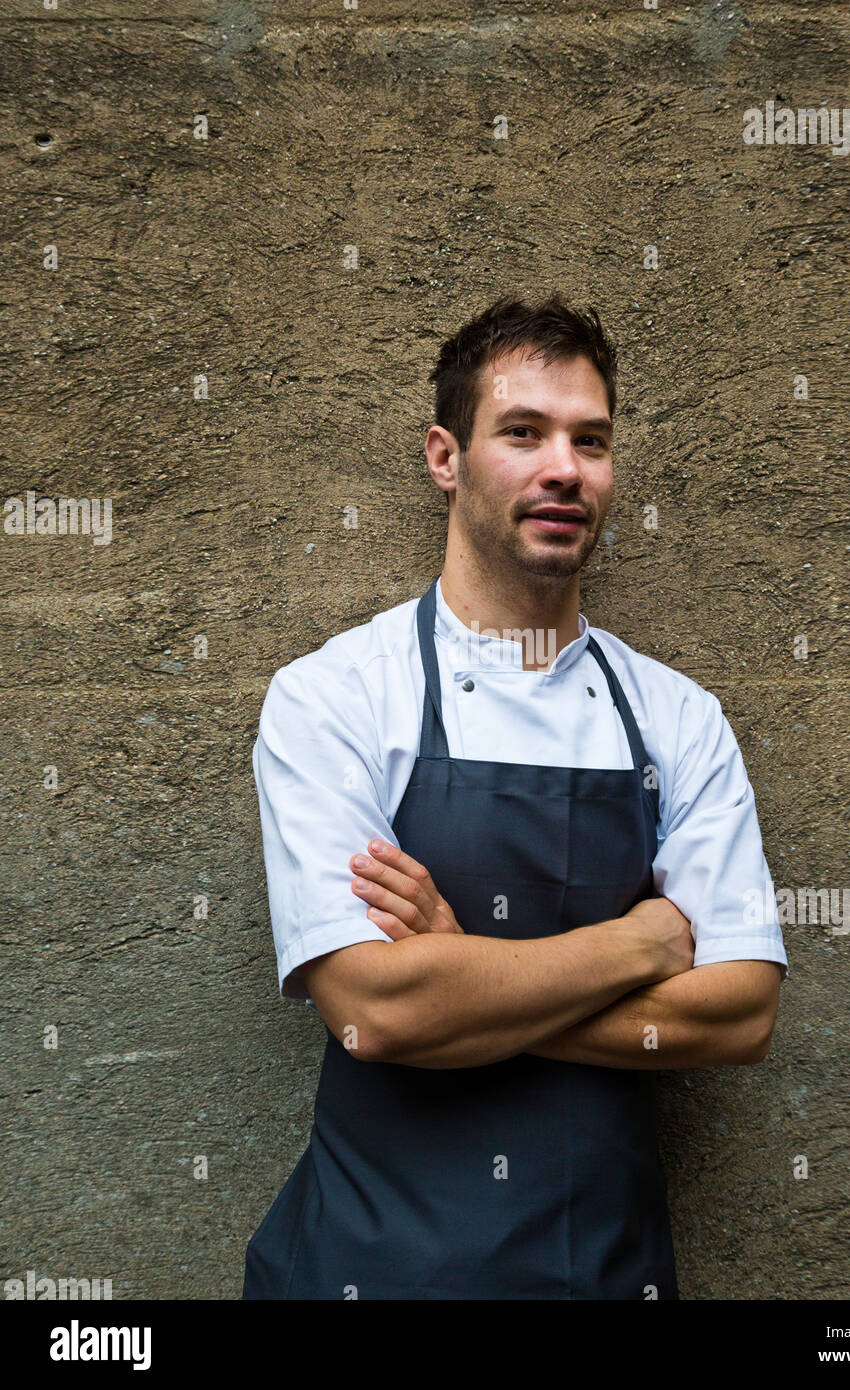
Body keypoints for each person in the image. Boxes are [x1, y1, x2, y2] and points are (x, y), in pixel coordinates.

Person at [242, 294, 788, 1301]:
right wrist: (640, 944)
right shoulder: (336, 697)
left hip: (605, 1272)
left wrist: (465, 969)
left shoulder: (677, 718)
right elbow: (373, 1012)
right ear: (444, 458)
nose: (563, 469)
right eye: (523, 432)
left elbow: (740, 1016)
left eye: (591, 439)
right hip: (368, 1269)